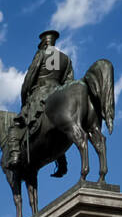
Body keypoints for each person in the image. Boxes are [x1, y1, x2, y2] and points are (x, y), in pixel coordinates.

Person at [5, 30, 72, 176]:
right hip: (60, 93)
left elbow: (29, 78)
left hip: (40, 95)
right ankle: (62, 162)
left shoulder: (41, 54)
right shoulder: (65, 58)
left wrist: (24, 100)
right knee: (61, 125)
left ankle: (15, 156)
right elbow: (69, 82)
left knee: (15, 126)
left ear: (43, 43)